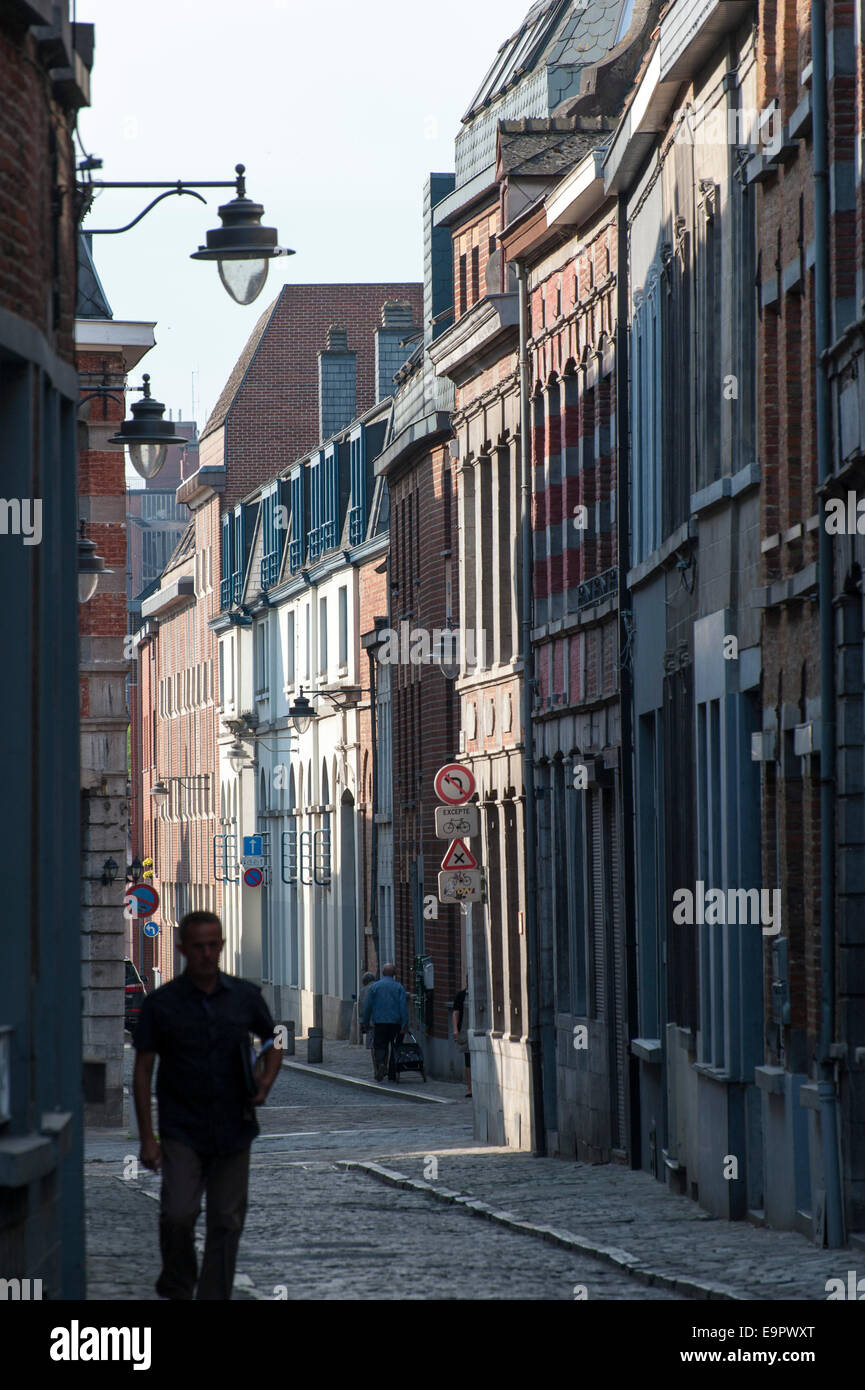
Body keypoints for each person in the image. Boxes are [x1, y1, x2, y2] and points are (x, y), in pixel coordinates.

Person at [132, 910, 283, 1301]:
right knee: (178, 1213)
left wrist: (265, 1081)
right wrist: (148, 1138)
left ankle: (213, 1296)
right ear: (182, 949)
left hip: (235, 1127)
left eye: (213, 945)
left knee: (227, 1221)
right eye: (197, 946)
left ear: (222, 946)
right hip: (182, 1127)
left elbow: (273, 1040)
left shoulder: (243, 997)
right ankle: (179, 1284)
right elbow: (143, 1071)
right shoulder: (161, 1005)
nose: (206, 954)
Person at [361, 962, 408, 1082]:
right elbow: (403, 1007)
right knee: (395, 1047)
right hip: (395, 1023)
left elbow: (368, 1007)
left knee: (380, 1045)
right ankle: (392, 1073)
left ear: (382, 973)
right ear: (394, 974)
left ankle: (381, 1063)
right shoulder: (399, 987)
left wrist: (365, 1022)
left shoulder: (375, 987)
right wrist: (404, 1024)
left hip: (380, 1022)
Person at [452, 981, 471, 1098]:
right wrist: (455, 1030)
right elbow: (455, 1013)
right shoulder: (461, 995)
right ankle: (470, 1088)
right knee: (468, 1060)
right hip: (465, 1031)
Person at [357, 970, 376, 1075]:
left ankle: (375, 1067)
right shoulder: (378, 987)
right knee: (383, 1044)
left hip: (370, 1023)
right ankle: (384, 1064)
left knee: (373, 1045)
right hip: (381, 1021)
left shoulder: (363, 991)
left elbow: (361, 1009)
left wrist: (362, 1023)